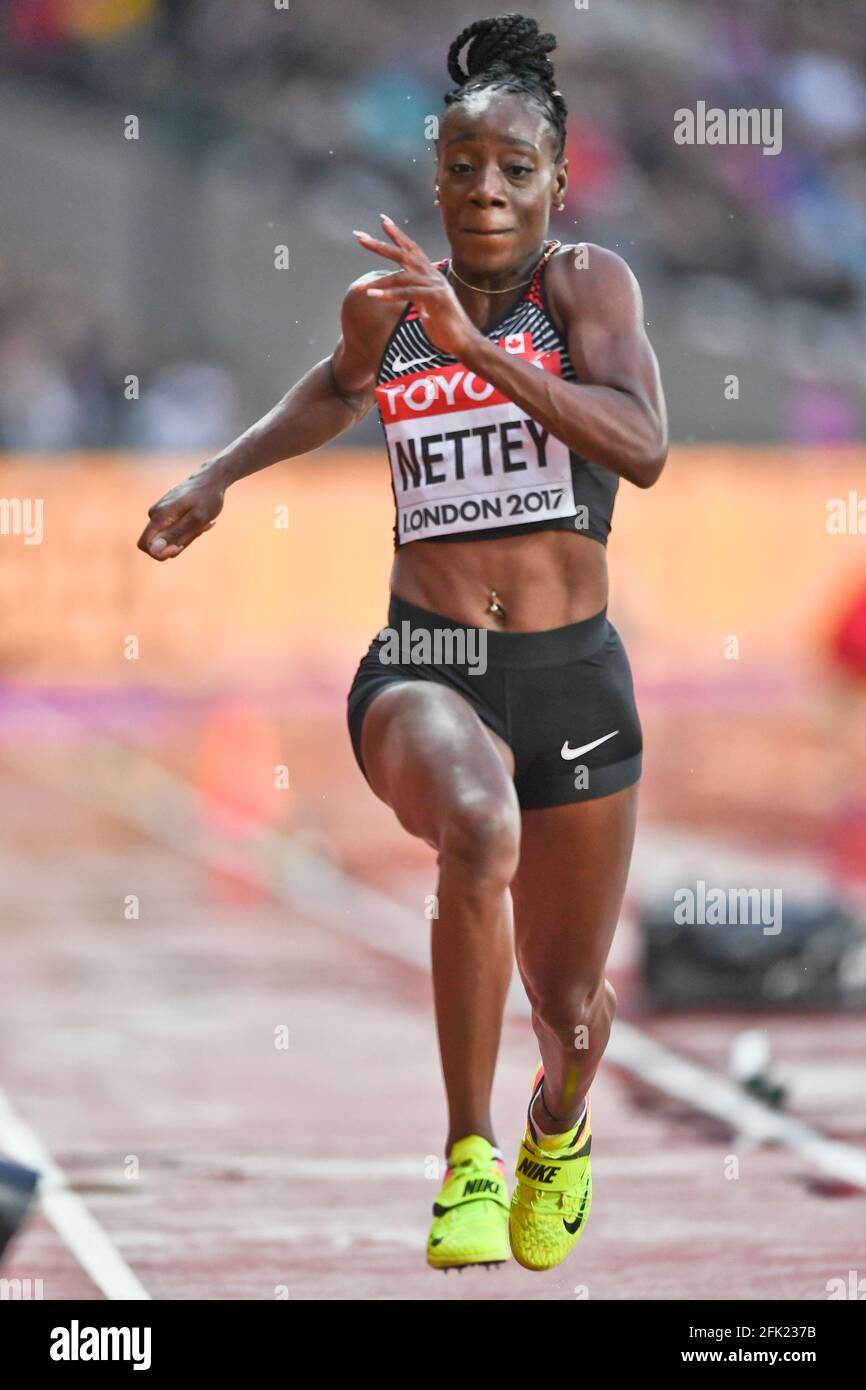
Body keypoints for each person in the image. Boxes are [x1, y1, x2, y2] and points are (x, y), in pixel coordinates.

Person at [137, 13, 668, 1274]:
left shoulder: (584, 287)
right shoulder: (388, 300)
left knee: (573, 1010)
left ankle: (553, 1128)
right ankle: (466, 1157)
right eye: (461, 165)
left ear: (555, 178)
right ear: (434, 175)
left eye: (513, 168)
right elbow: (333, 386)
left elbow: (640, 447)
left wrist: (479, 348)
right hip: (427, 664)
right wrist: (215, 475)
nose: (484, 187)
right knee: (477, 827)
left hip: (574, 677)